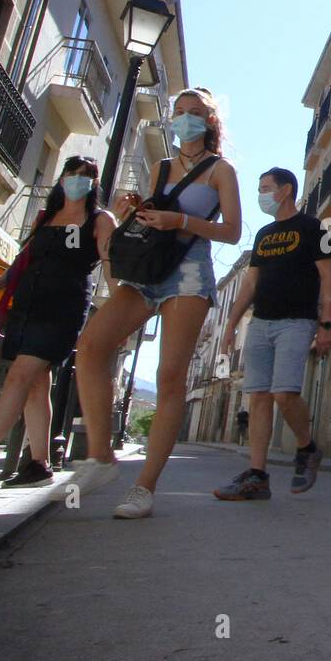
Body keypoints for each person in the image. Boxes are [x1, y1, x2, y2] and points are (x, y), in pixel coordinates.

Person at [66, 87, 242, 519]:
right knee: (90, 347)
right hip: (148, 271)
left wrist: (181, 219)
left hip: (188, 273)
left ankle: (143, 488)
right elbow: (151, 217)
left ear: (209, 122)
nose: (185, 119)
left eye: (194, 113)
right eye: (179, 113)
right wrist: (133, 209)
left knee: (169, 378)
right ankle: (101, 457)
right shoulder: (162, 167)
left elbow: (234, 232)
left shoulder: (221, 170)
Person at [0, 156, 117, 490]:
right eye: (73, 173)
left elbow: (110, 263)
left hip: (61, 310)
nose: (79, 179)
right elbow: (23, 262)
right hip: (27, 306)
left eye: (88, 176)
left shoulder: (99, 219)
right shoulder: (46, 217)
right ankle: (39, 464)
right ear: (62, 178)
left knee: (19, 376)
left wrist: (118, 309)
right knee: (36, 386)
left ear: (95, 184)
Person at [213, 167, 331, 500]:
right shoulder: (264, 235)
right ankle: (257, 475)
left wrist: (326, 324)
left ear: (285, 191)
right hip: (261, 323)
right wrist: (232, 324)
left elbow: (327, 277)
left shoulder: (314, 228)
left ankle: (307, 447)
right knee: (259, 397)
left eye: (266, 188)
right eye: (259, 187)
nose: (261, 194)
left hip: (297, 321)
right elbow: (250, 283)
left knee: (284, 393)